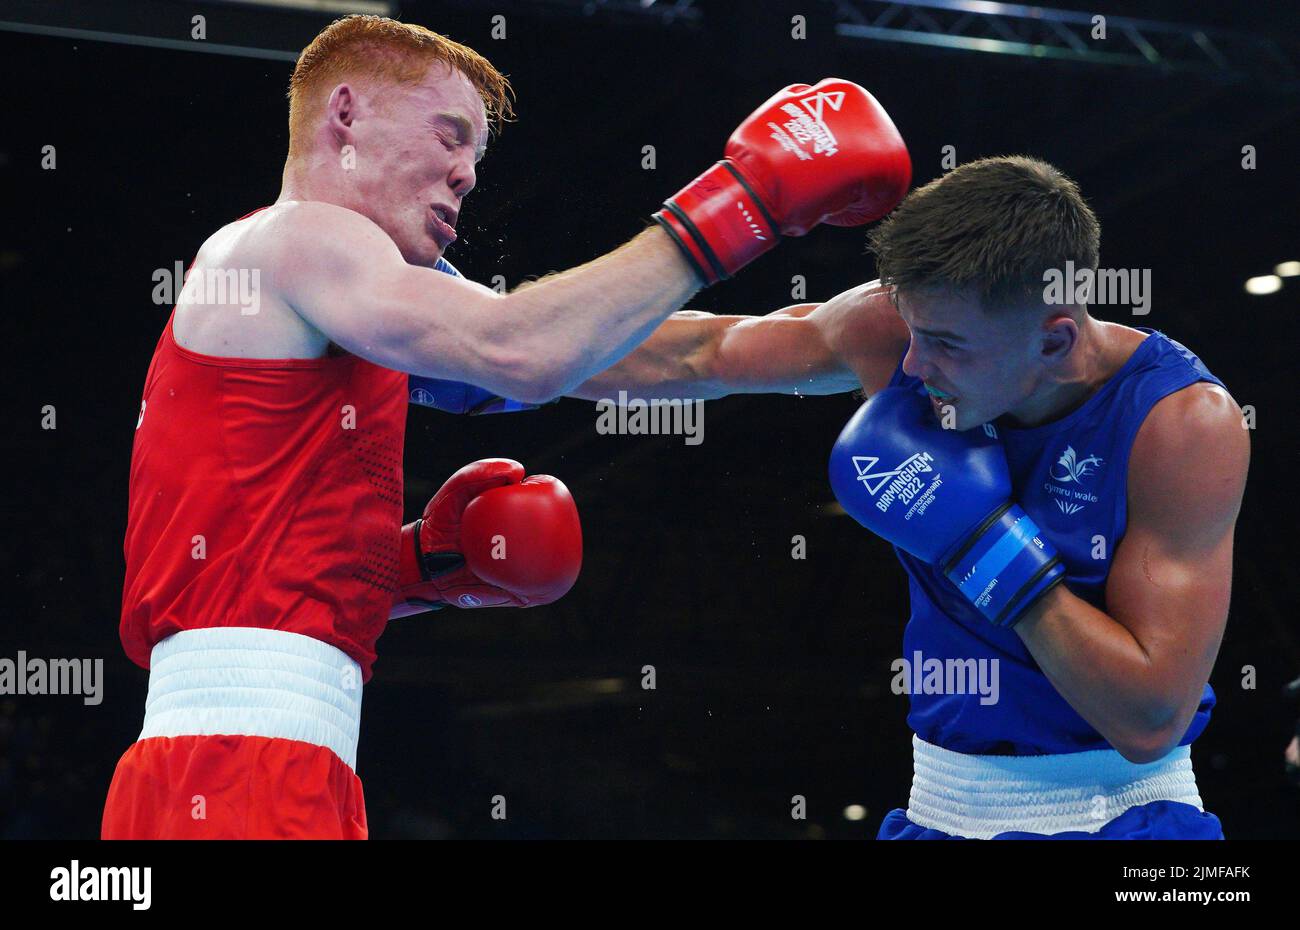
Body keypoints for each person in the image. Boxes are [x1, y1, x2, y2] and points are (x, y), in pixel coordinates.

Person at [102, 13, 910, 838]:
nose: (466, 175)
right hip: (241, 771)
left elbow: (659, 357)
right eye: (449, 135)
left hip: (240, 764)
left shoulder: (331, 304)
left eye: (476, 157)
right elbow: (526, 347)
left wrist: (828, 340)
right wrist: (744, 203)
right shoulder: (299, 238)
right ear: (344, 115)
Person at [572, 155, 1249, 839]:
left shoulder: (1181, 424)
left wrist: (986, 548)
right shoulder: (900, 334)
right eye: (914, 331)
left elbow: (1149, 720)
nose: (916, 366)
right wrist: (489, 357)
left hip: (1125, 820)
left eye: (947, 345)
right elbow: (701, 353)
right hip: (938, 813)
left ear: (1055, 338)